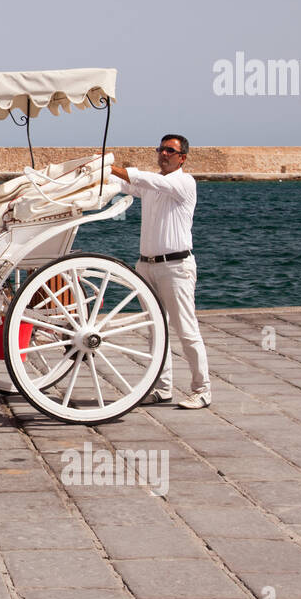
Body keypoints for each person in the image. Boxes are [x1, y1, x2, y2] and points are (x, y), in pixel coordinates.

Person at [109, 135, 211, 408]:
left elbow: (145, 180)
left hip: (176, 267)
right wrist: (94, 172)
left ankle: (202, 390)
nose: (163, 153)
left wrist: (111, 168)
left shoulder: (183, 183)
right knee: (157, 330)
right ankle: (162, 388)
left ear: (182, 158)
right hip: (147, 265)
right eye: (161, 149)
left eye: (170, 150)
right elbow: (125, 184)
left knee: (186, 330)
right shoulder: (154, 185)